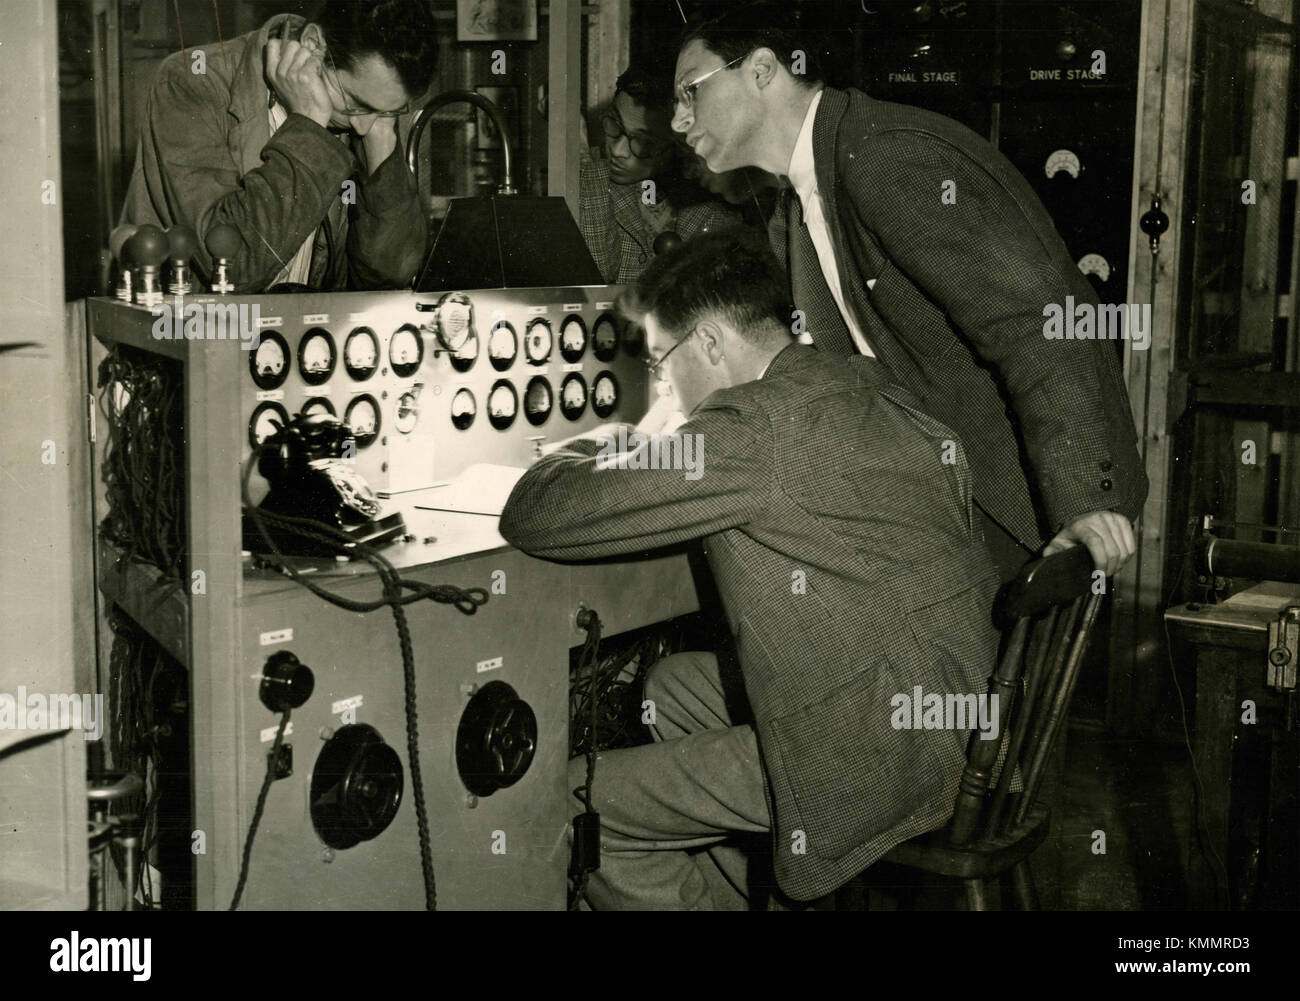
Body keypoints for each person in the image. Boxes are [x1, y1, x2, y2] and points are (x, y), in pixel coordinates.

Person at [499, 229, 1002, 908]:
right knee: (669, 687)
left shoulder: (752, 429)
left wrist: (582, 445)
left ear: (708, 343)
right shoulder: (857, 380)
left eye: (661, 362)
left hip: (883, 758)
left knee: (569, 802)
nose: (666, 390)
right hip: (967, 716)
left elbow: (537, 512)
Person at [670, 6, 1148, 581]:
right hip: (945, 509)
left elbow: (1038, 321)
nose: (677, 120)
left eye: (689, 93)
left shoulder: (881, 158)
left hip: (1024, 512)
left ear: (763, 69)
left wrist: (1083, 503)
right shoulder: (798, 204)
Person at [120, 2, 437, 292]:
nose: (362, 127)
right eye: (356, 104)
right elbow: (236, 266)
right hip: (205, 337)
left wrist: (382, 144)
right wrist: (310, 124)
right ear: (313, 46)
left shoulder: (370, 107)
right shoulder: (191, 83)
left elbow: (392, 274)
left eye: (387, 112)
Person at [579, 62, 742, 283]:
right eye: (615, 125)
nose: (617, 151)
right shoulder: (592, 179)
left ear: (682, 145)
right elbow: (591, 279)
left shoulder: (714, 205)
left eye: (643, 142)